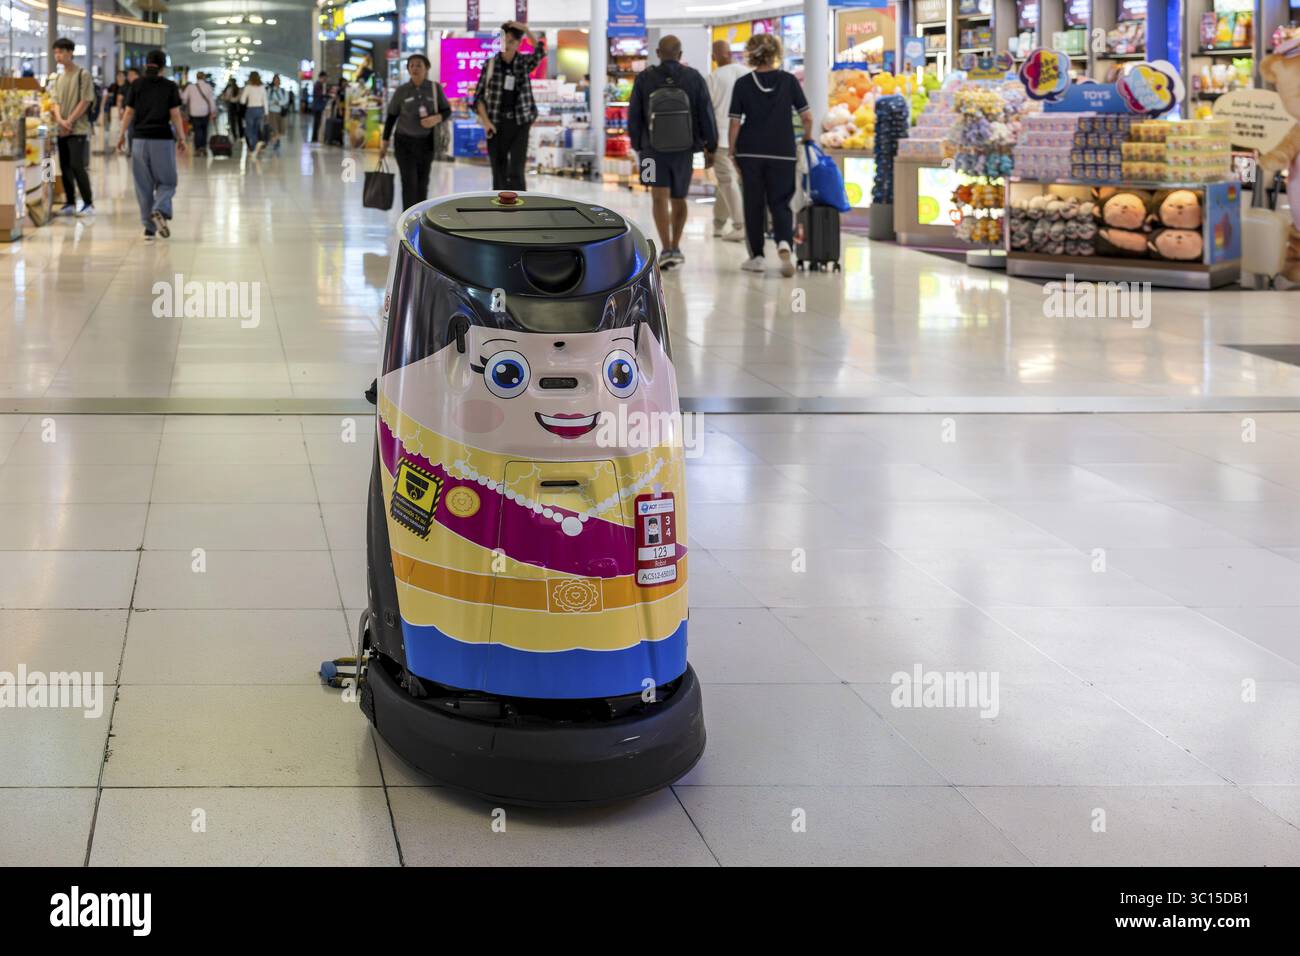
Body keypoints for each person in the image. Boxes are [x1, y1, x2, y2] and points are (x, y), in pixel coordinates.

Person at [626, 34, 717, 270]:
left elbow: (634, 115)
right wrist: (711, 145)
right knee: (679, 198)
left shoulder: (645, 78)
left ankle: (665, 247)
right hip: (684, 150)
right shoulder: (693, 77)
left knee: (657, 196)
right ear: (680, 54)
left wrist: (638, 146)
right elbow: (706, 113)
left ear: (657, 53)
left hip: (651, 149)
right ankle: (675, 246)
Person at [727, 32, 814, 277]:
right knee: (781, 202)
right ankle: (785, 242)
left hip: (750, 151)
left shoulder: (743, 83)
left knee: (753, 203)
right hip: (783, 151)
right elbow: (807, 116)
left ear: (751, 54)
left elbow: (735, 123)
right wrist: (807, 137)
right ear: (776, 52)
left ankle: (757, 257)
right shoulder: (788, 81)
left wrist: (732, 150)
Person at [117, 48, 186, 240]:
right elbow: (175, 115)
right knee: (167, 182)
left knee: (143, 185)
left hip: (139, 141)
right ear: (163, 67)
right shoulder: (170, 86)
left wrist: (121, 135)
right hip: (162, 140)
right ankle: (159, 208)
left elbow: (128, 112)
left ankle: (149, 229)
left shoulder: (136, 84)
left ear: (146, 64)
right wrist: (182, 138)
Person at [473, 20, 547, 191]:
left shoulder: (523, 62)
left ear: (518, 43)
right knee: (498, 170)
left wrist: (526, 29)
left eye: (512, 41)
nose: (507, 45)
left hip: (520, 123)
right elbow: (478, 98)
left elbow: (540, 51)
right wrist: (486, 122)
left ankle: (519, 208)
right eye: (504, 40)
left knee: (516, 170)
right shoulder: (490, 64)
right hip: (496, 124)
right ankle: (499, 210)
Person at [380, 54, 451, 211]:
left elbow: (447, 111)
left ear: (426, 69)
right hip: (404, 143)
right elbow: (391, 117)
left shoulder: (434, 88)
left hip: (426, 143)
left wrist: (435, 119)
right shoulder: (402, 91)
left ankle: (420, 217)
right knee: (409, 182)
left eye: (419, 65)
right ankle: (409, 219)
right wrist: (384, 143)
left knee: (422, 183)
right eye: (411, 65)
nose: (415, 68)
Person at [707, 39, 748, 243]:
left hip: (722, 138)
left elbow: (706, 112)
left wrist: (705, 143)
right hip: (746, 136)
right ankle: (719, 222)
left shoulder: (713, 78)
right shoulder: (747, 73)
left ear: (714, 57)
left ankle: (740, 225)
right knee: (727, 181)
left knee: (727, 180)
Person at [50, 37, 96, 217]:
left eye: (61, 52)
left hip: (78, 128)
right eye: (55, 52)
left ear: (70, 53)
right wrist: (61, 120)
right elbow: (55, 102)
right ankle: (69, 202)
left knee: (77, 165)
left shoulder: (82, 74)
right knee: (65, 165)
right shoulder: (59, 78)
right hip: (62, 129)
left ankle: (88, 202)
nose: (58, 56)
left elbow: (86, 100)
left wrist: (69, 121)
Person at [180, 67, 215, 155]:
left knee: (197, 130)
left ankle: (198, 148)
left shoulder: (191, 87)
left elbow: (183, 98)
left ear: (196, 77)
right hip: (205, 112)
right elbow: (211, 100)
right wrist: (213, 111)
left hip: (194, 112)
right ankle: (203, 147)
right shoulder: (208, 87)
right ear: (203, 77)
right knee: (205, 130)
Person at [239, 71, 268, 156]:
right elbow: (265, 101)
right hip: (260, 110)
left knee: (249, 129)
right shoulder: (262, 87)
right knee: (256, 128)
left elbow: (242, 101)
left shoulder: (248, 87)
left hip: (251, 109)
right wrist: (266, 113)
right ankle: (255, 145)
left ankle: (254, 145)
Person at [266, 74, 289, 153]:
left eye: (278, 80)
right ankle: (276, 142)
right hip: (272, 111)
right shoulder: (270, 90)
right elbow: (267, 100)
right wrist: (273, 102)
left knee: (281, 128)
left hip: (281, 112)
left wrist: (278, 103)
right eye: (275, 80)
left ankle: (277, 140)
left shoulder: (283, 91)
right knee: (274, 128)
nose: (276, 81)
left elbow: (286, 100)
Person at [311, 71, 328, 144]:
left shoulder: (319, 84)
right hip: (317, 107)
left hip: (318, 106)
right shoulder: (318, 84)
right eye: (325, 78)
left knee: (317, 123)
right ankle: (314, 138)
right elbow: (320, 95)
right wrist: (327, 96)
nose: (326, 79)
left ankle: (315, 138)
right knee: (317, 123)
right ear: (322, 77)